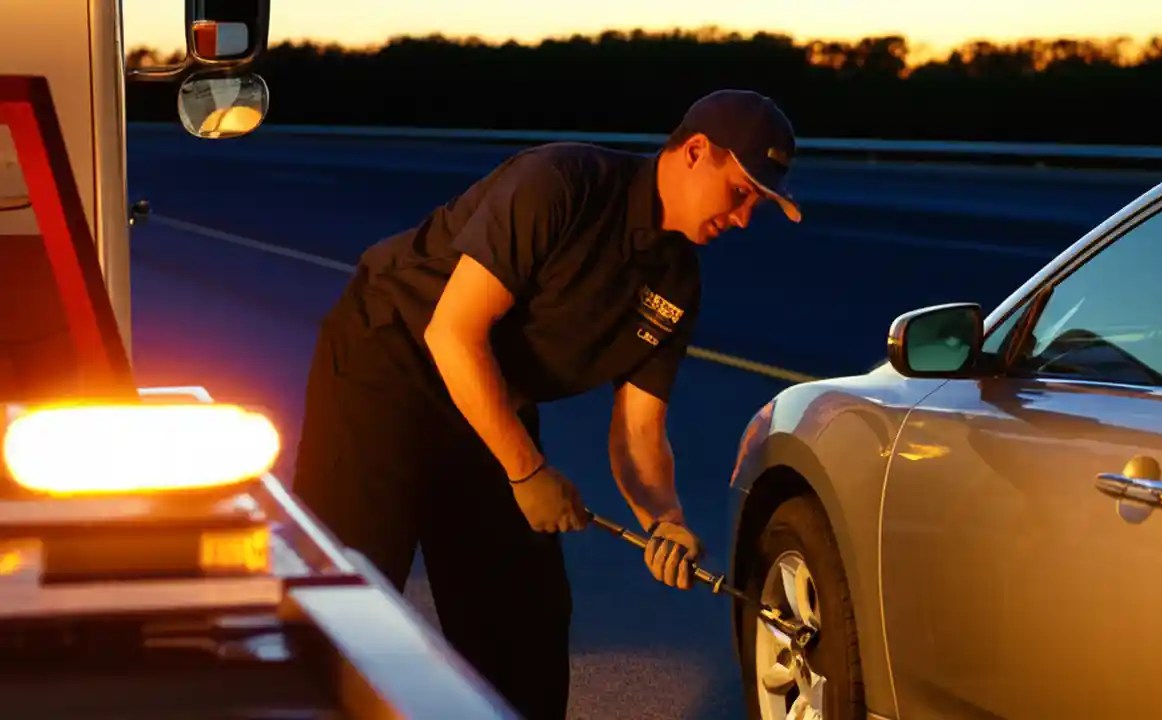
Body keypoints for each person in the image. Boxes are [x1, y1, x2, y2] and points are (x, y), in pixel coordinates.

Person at [290, 88, 802, 719]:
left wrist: (663, 519)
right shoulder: (561, 183)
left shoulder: (677, 282)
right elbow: (452, 333)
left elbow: (639, 434)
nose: (746, 217)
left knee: (522, 617)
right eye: (741, 192)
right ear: (696, 151)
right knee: (351, 599)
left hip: (489, 398)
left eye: (761, 203)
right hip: (387, 364)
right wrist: (527, 472)